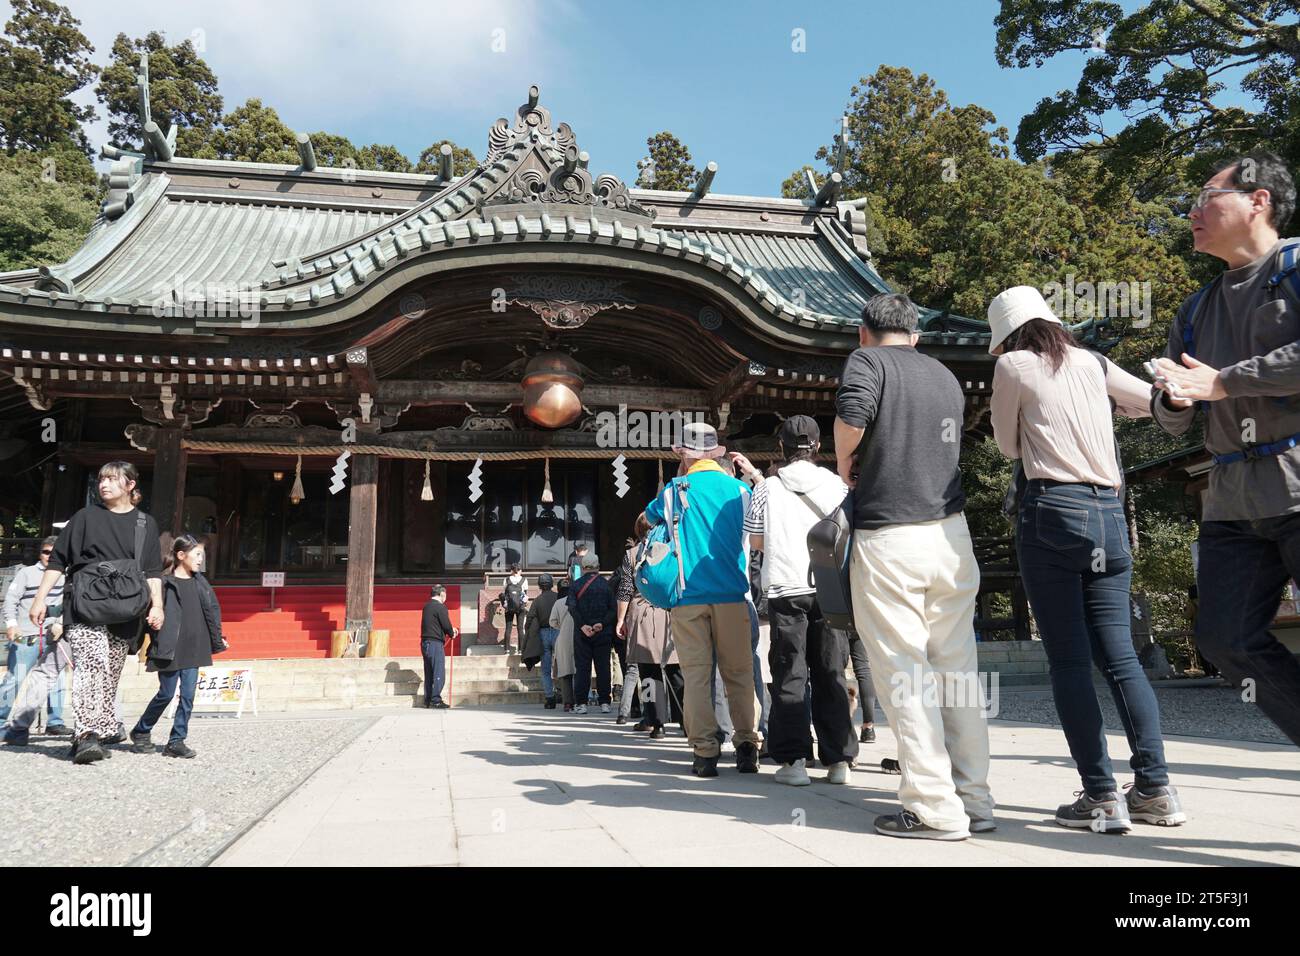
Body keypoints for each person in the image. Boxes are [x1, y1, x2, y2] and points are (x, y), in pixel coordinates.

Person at [990, 285, 1185, 831]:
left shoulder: (1013, 367)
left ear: (1007, 335)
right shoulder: (1095, 363)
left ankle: (1099, 794)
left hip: (1052, 511)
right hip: (1108, 514)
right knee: (1120, 657)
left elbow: (1008, 446)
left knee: (1071, 661)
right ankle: (1155, 787)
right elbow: (1155, 402)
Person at [1152, 151, 1300, 748]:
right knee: (1223, 639)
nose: (1192, 212)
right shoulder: (1194, 310)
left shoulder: (1294, 267)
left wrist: (1224, 381)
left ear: (1258, 199)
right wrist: (1178, 400)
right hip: (1232, 502)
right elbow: (1169, 419)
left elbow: (1221, 380)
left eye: (1206, 196)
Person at [834, 294, 994, 839]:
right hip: (951, 535)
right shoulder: (946, 375)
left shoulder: (867, 361)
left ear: (864, 332)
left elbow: (853, 415)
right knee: (958, 671)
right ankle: (975, 800)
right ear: (917, 335)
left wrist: (844, 461)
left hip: (890, 534)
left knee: (904, 671)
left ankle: (933, 808)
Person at [736, 416, 857, 786]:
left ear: (782, 449)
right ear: (818, 447)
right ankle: (839, 761)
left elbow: (755, 542)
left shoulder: (767, 489)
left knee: (790, 672)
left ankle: (793, 762)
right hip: (830, 586)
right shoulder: (837, 485)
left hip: (787, 588)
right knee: (831, 671)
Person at [644, 422, 759, 778]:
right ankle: (746, 747)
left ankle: (705, 754)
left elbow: (648, 519)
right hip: (732, 596)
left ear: (684, 454)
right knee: (739, 674)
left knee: (696, 675)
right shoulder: (740, 490)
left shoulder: (674, 490)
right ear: (714, 453)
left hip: (689, 597)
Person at [32, 461, 164, 765]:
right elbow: (57, 561)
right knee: (91, 663)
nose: (103, 485)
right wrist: (40, 599)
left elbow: (153, 571)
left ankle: (102, 727)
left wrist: (157, 605)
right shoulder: (84, 518)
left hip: (126, 608)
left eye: (112, 480)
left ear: (130, 485)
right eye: (102, 479)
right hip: (84, 605)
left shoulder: (145, 523)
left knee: (111, 671)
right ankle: (85, 734)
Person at [129, 534, 229, 757]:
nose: (201, 559)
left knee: (187, 696)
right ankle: (141, 730)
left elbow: (212, 612)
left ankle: (176, 741)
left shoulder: (201, 583)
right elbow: (148, 612)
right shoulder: (163, 584)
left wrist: (218, 637)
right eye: (197, 554)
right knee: (165, 694)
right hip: (169, 646)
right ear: (181, 555)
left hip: (195, 646)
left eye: (202, 555)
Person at [616, 514, 682, 738]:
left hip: (642, 614)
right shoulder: (672, 548)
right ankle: (686, 720)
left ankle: (655, 722)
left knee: (648, 671)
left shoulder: (632, 554)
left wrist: (620, 620)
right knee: (676, 670)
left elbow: (625, 589)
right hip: (670, 611)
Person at [1, 537, 71, 741]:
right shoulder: (26, 573)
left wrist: (60, 622)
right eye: (46, 552)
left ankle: (55, 722)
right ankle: (1, 720)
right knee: (16, 678)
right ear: (40, 553)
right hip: (26, 635)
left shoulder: (67, 575)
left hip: (54, 634)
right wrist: (12, 624)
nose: (49, 556)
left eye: (54, 552)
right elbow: (11, 600)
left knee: (56, 680)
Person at [568, 554, 615, 714]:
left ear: (583, 567)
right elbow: (613, 609)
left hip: (582, 634)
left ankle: (581, 703)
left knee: (582, 668)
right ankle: (605, 702)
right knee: (603, 667)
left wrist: (582, 626)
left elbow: (572, 608)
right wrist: (602, 623)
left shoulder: (575, 585)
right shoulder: (606, 585)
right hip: (603, 632)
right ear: (598, 566)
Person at [419, 585, 457, 709]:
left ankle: (428, 699)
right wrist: (452, 632)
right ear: (442, 594)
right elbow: (446, 625)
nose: (445, 597)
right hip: (435, 643)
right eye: (445, 595)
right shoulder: (440, 607)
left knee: (429, 672)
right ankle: (436, 700)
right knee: (438, 671)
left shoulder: (427, 606)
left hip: (425, 642)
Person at [526, 574, 560, 708]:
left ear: (539, 586)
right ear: (552, 584)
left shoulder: (537, 600)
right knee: (563, 665)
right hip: (558, 631)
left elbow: (529, 619)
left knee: (545, 670)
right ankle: (567, 696)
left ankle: (550, 698)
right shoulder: (558, 598)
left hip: (543, 633)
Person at [550, 583, 577, 711]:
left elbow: (552, 621)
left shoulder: (558, 603)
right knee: (580, 671)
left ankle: (568, 702)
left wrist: (561, 626)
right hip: (580, 638)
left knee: (565, 673)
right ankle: (580, 700)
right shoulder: (579, 599)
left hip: (563, 639)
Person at [499, 564, 528, 653]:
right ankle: (521, 650)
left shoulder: (506, 580)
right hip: (521, 607)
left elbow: (504, 593)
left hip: (509, 607)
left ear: (511, 571)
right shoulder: (524, 580)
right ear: (520, 570)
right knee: (520, 628)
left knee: (508, 628)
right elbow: (525, 594)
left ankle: (507, 649)